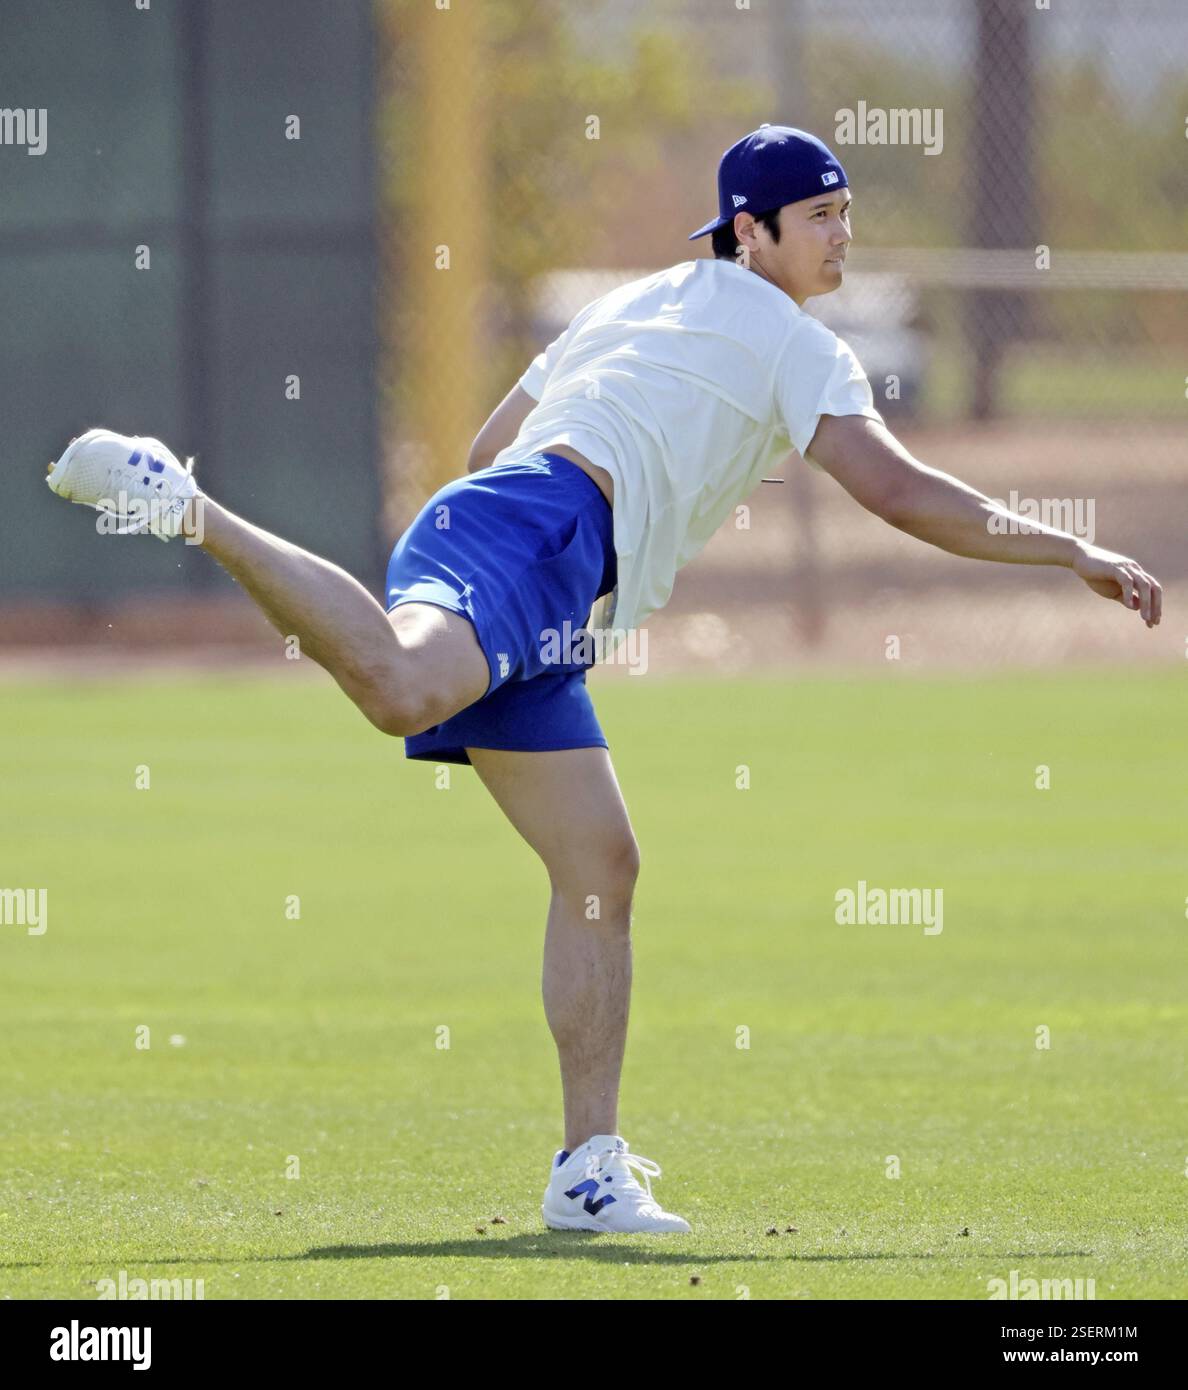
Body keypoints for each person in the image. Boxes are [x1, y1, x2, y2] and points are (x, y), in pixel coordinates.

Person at [46, 125, 1162, 1235]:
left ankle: (588, 1169)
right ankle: (187, 505)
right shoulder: (795, 340)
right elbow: (904, 493)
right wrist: (1067, 547)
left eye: (846, 212)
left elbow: (488, 442)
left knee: (599, 865)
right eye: (820, 217)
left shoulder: (632, 301)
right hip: (542, 533)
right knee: (396, 683)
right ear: (750, 232)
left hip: (525, 545)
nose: (843, 237)